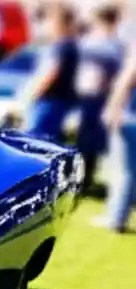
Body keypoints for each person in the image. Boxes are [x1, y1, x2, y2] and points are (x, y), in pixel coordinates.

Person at [76, 4, 125, 192]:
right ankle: (85, 177)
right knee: (88, 140)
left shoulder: (102, 43)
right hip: (91, 95)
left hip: (96, 97)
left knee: (89, 140)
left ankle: (85, 178)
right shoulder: (112, 44)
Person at [20, 4, 78, 142]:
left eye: (49, 21)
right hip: (54, 102)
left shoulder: (62, 46)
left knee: (39, 142)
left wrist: (30, 95)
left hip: (49, 102)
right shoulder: (65, 45)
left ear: (58, 23)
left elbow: (50, 73)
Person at [100, 27, 136, 230]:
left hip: (127, 116)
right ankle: (119, 215)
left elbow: (125, 81)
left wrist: (112, 109)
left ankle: (115, 218)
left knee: (122, 171)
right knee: (131, 171)